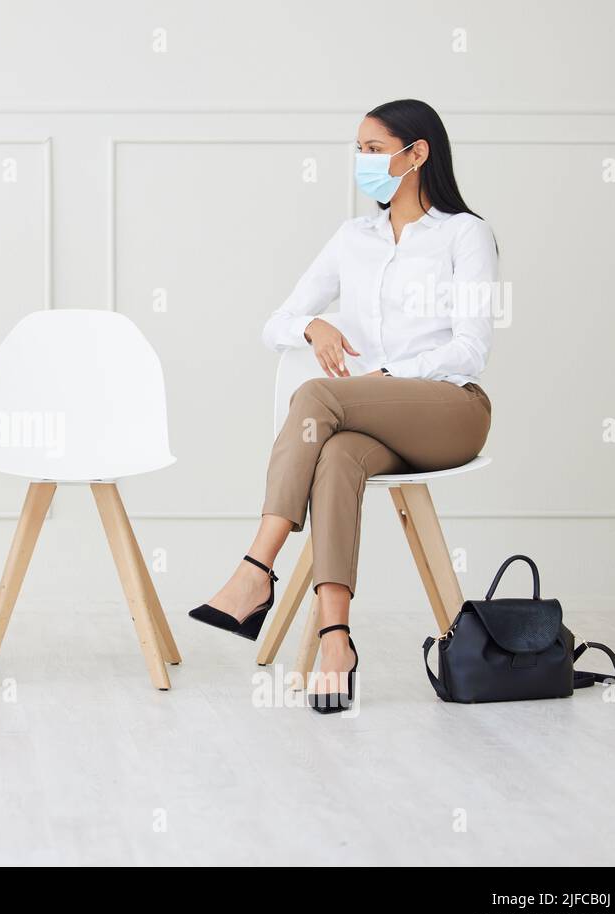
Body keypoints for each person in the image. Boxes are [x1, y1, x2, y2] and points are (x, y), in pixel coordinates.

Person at [188, 99, 499, 714]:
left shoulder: (465, 233)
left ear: (418, 154)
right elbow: (276, 321)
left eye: (374, 149)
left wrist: (387, 376)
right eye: (358, 150)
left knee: (318, 395)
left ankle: (257, 568)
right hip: (369, 419)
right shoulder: (351, 238)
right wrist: (314, 329)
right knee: (336, 457)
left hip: (451, 409)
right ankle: (337, 641)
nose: (363, 162)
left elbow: (471, 349)